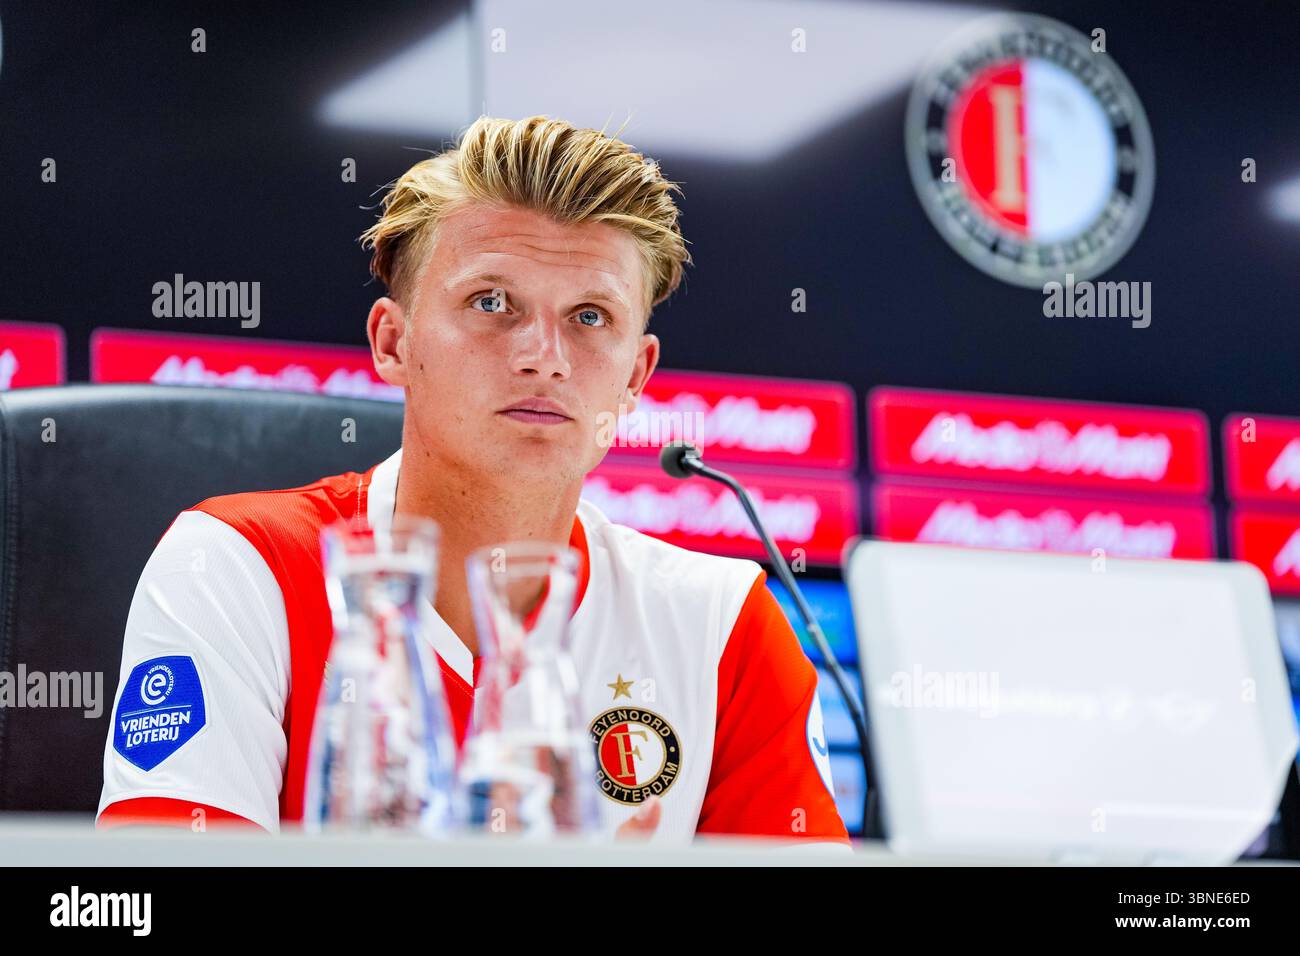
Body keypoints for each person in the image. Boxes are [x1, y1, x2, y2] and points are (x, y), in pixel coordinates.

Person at [97, 115, 850, 845]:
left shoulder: (724, 625)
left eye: (590, 317)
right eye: (491, 303)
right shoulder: (235, 567)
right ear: (394, 343)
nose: (543, 357)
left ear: (636, 377)